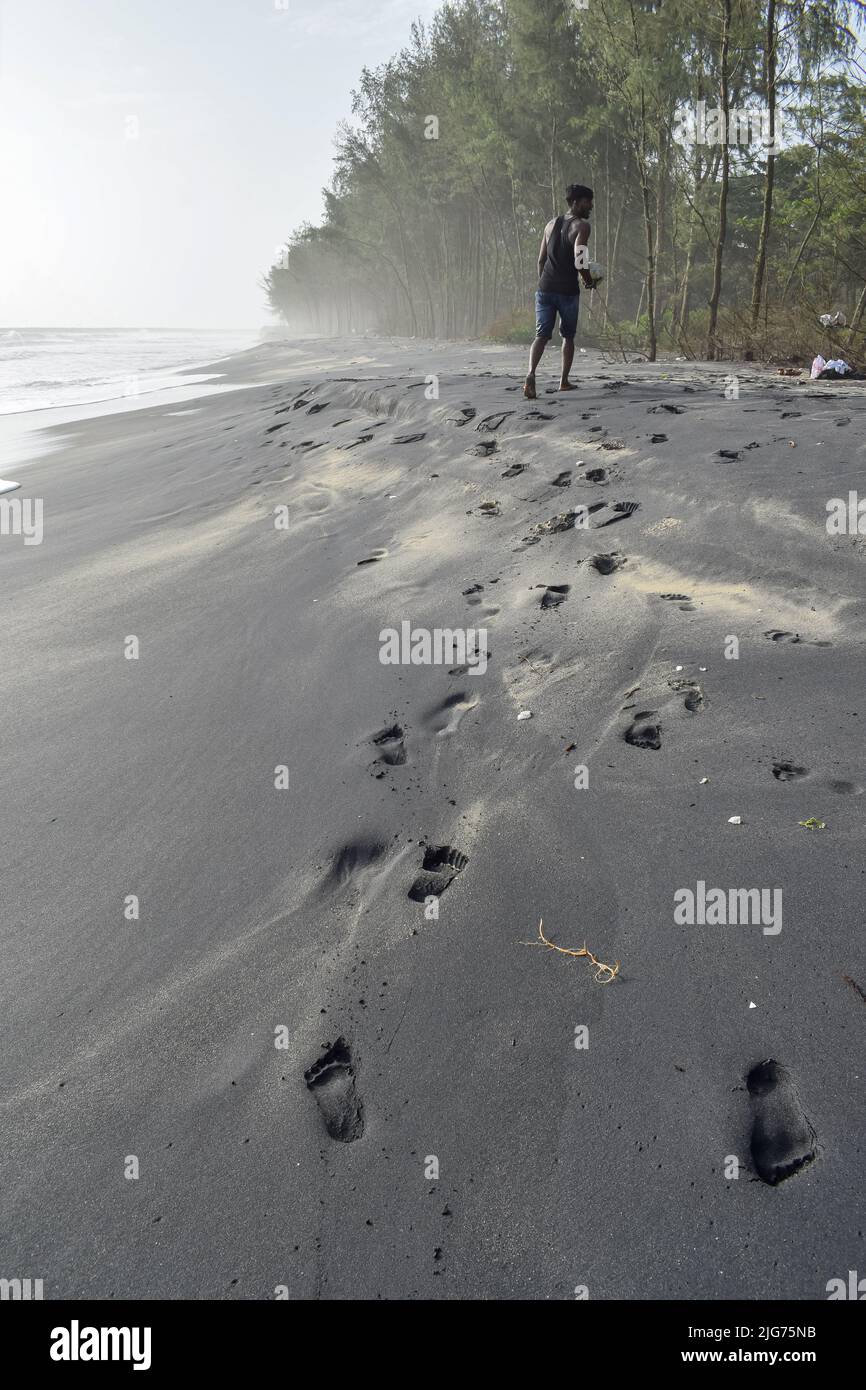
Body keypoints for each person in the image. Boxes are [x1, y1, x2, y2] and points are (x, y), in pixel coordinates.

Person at [524, 184, 598, 399]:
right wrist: (588, 281)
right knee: (568, 336)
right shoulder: (582, 227)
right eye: (587, 201)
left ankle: (530, 374)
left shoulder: (550, 224)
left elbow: (541, 259)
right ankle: (563, 382)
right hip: (567, 291)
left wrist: (545, 283)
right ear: (575, 202)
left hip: (545, 288)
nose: (590, 206)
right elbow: (580, 259)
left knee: (541, 335)